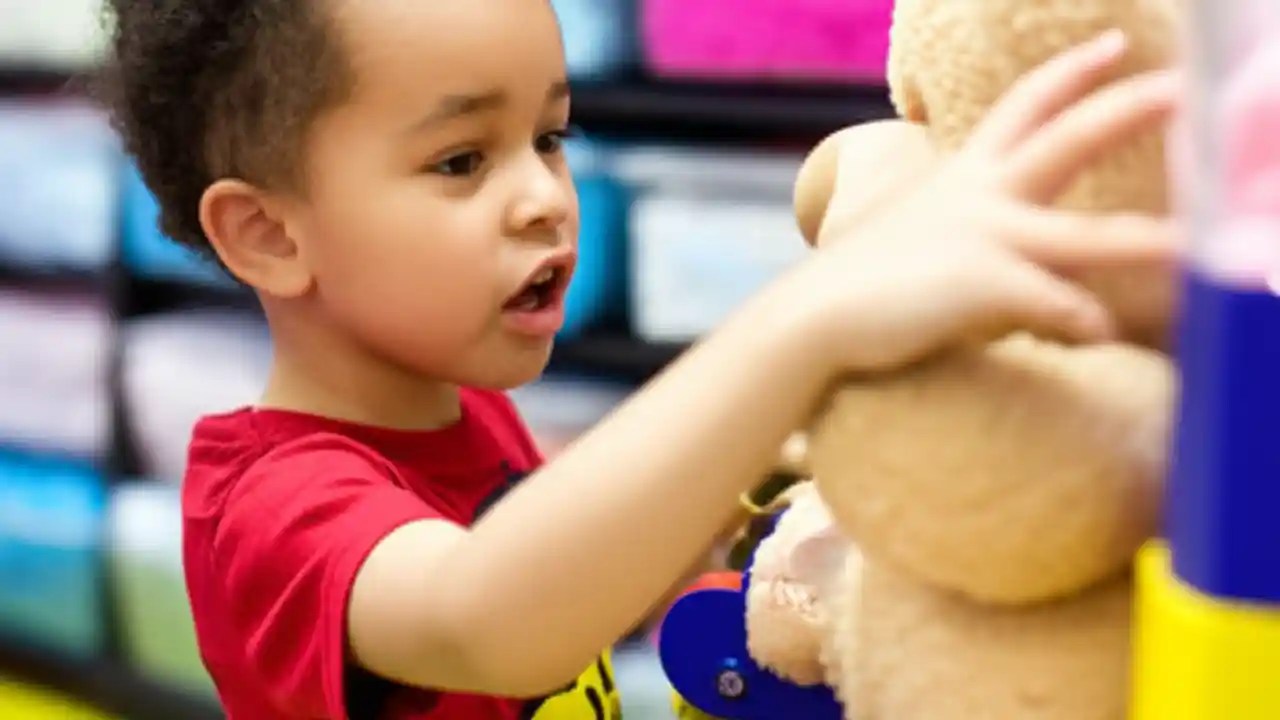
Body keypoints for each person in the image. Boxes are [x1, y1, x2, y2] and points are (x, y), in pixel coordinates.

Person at [99, 0, 1178, 716]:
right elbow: (487, 626)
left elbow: (579, 574)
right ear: (269, 236)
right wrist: (806, 325)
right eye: (461, 159)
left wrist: (776, 487)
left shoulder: (450, 407)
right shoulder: (270, 512)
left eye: (551, 138)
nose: (543, 199)